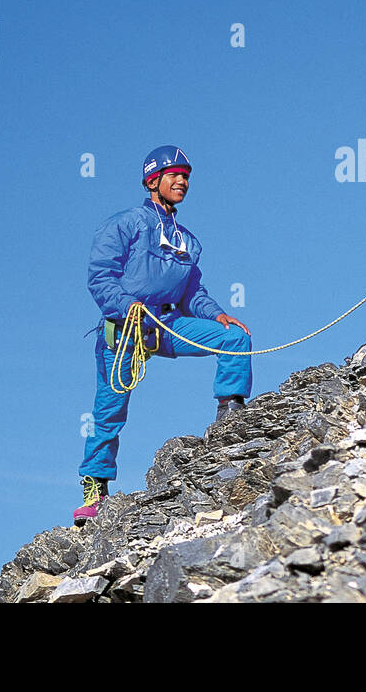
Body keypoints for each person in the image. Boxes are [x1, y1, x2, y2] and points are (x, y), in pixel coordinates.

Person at [73, 145, 251, 524]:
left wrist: (218, 314)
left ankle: (230, 426)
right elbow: (100, 276)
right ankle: (95, 491)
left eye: (186, 176)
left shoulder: (189, 241)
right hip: (124, 330)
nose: (182, 181)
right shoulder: (124, 224)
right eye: (175, 175)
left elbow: (193, 293)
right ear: (154, 181)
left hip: (166, 327)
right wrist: (125, 306)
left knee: (236, 340)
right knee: (109, 412)